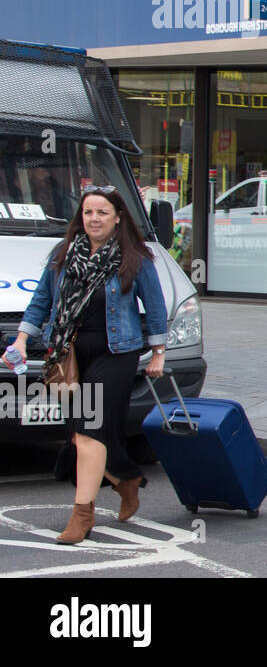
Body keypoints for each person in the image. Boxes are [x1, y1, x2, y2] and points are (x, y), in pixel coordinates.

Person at [11, 186, 168, 544]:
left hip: (117, 352)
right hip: (69, 355)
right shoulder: (64, 254)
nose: (94, 219)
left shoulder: (134, 257)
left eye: (101, 212)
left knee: (88, 429)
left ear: (117, 218)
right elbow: (41, 301)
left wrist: (158, 352)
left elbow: (155, 307)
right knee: (93, 431)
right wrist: (21, 339)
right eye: (87, 213)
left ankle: (82, 514)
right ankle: (126, 480)